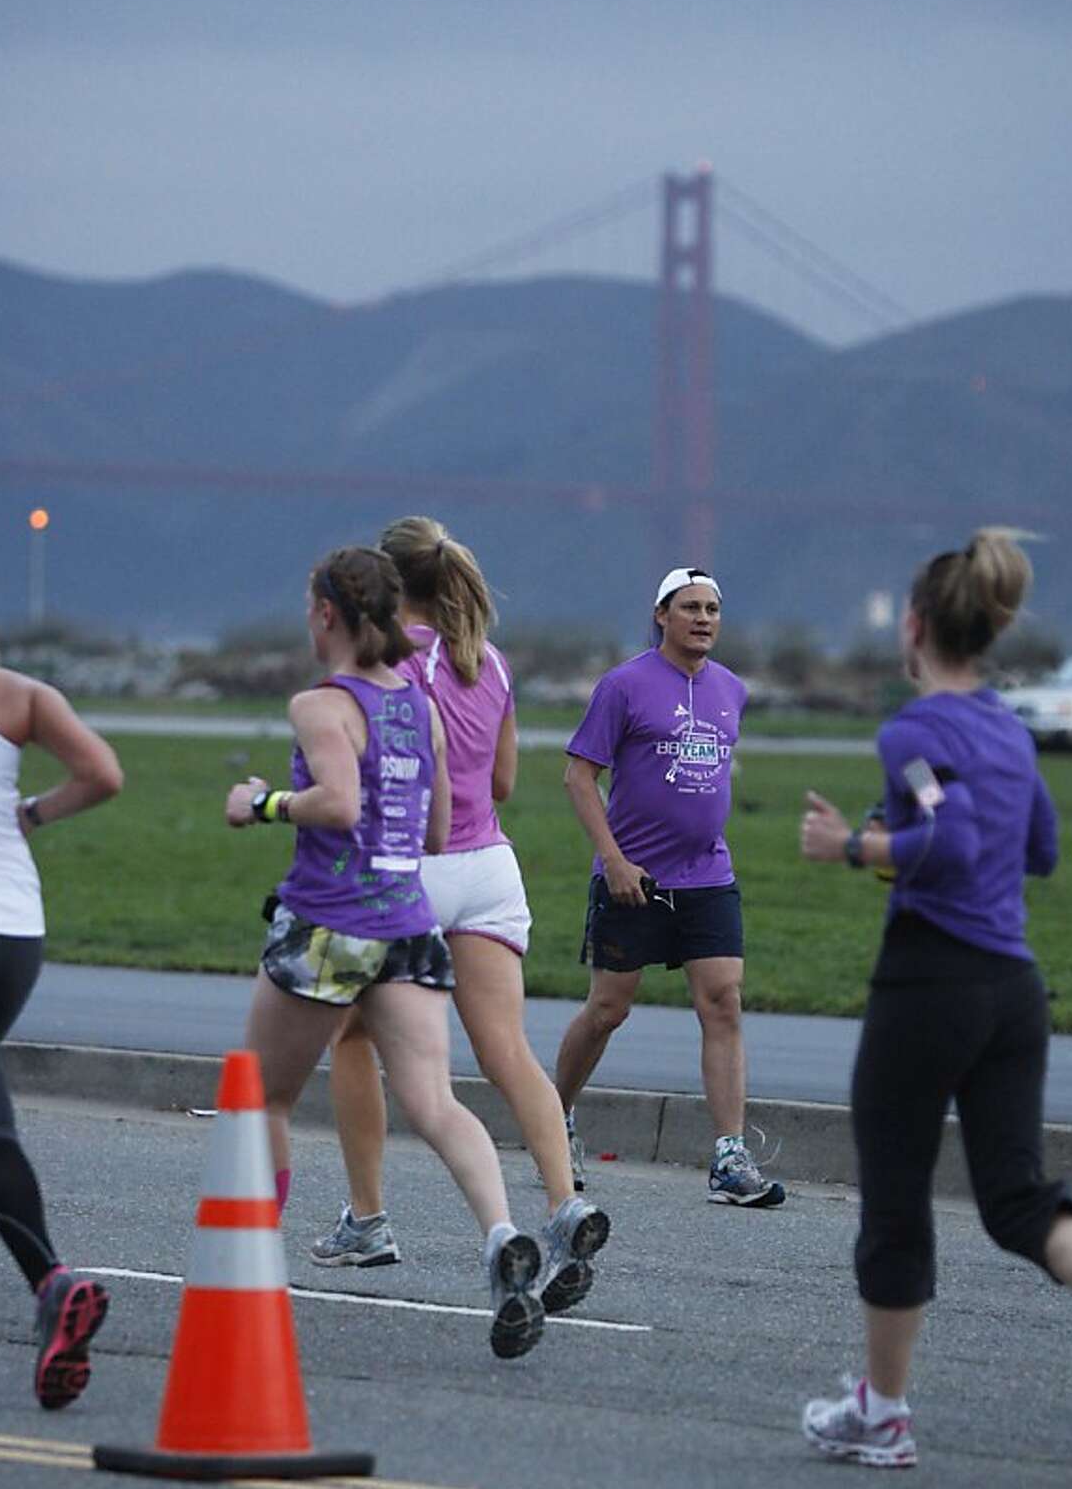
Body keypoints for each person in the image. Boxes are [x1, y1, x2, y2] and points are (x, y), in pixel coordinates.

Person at [799, 528, 1072, 1468]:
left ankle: (884, 1411)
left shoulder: (911, 730)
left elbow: (944, 841)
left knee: (898, 1200)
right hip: (1013, 991)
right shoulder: (1009, 728)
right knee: (1016, 1195)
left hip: (931, 983)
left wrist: (859, 848)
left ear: (913, 626)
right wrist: (918, 834)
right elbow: (1037, 849)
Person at [226, 544, 545, 1359]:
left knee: (261, 1098)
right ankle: (501, 1234)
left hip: (331, 921)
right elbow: (438, 828)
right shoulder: (419, 702)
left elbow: (335, 802)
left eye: (309, 608)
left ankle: (251, 1269)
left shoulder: (321, 705)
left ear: (328, 614)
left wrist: (262, 803)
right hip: (409, 923)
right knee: (435, 1103)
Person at [314, 517, 610, 1314]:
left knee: (352, 1036)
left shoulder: (386, 663)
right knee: (508, 1050)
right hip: (489, 869)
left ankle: (368, 1219)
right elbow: (504, 782)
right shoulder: (494, 663)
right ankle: (563, 1204)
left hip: (413, 868)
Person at [0, 539, 123, 1409]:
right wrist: (30, 815)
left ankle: (53, 1283)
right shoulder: (18, 695)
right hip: (13, 937)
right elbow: (102, 774)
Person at [552, 566, 785, 1208]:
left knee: (723, 1002)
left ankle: (730, 1158)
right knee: (608, 1010)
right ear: (662, 615)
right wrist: (614, 860)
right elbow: (579, 777)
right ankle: (555, 1121)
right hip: (634, 878)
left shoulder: (731, 689)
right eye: (690, 607)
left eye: (712, 608)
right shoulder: (624, 686)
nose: (704, 618)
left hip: (709, 874)